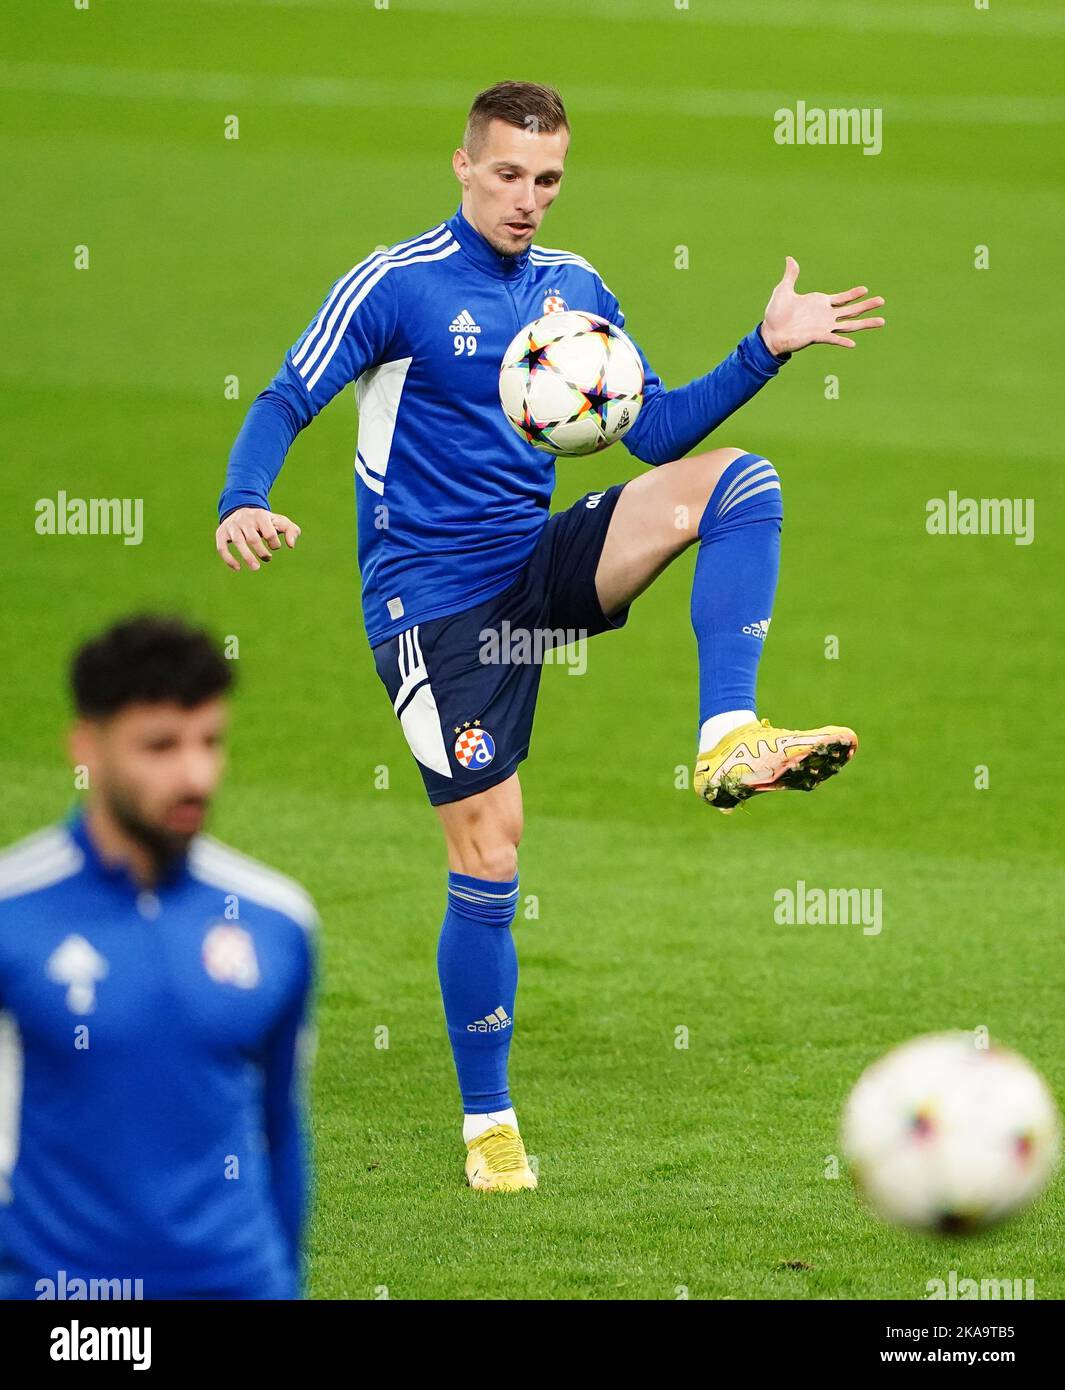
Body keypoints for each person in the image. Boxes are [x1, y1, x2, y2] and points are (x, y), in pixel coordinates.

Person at [215, 80, 884, 1193]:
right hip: (434, 609)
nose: (529, 199)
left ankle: (727, 734)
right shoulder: (397, 285)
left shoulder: (574, 288)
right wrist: (246, 495)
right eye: (510, 175)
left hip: (534, 563)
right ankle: (488, 1124)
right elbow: (288, 395)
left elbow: (654, 428)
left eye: (549, 178)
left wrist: (764, 348)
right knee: (491, 851)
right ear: (465, 167)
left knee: (735, 485)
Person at [0, 616, 316, 1298]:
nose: (195, 775)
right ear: (86, 746)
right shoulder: (13, 914)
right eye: (160, 747)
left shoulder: (277, 920)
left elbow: (281, 1137)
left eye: (210, 742)